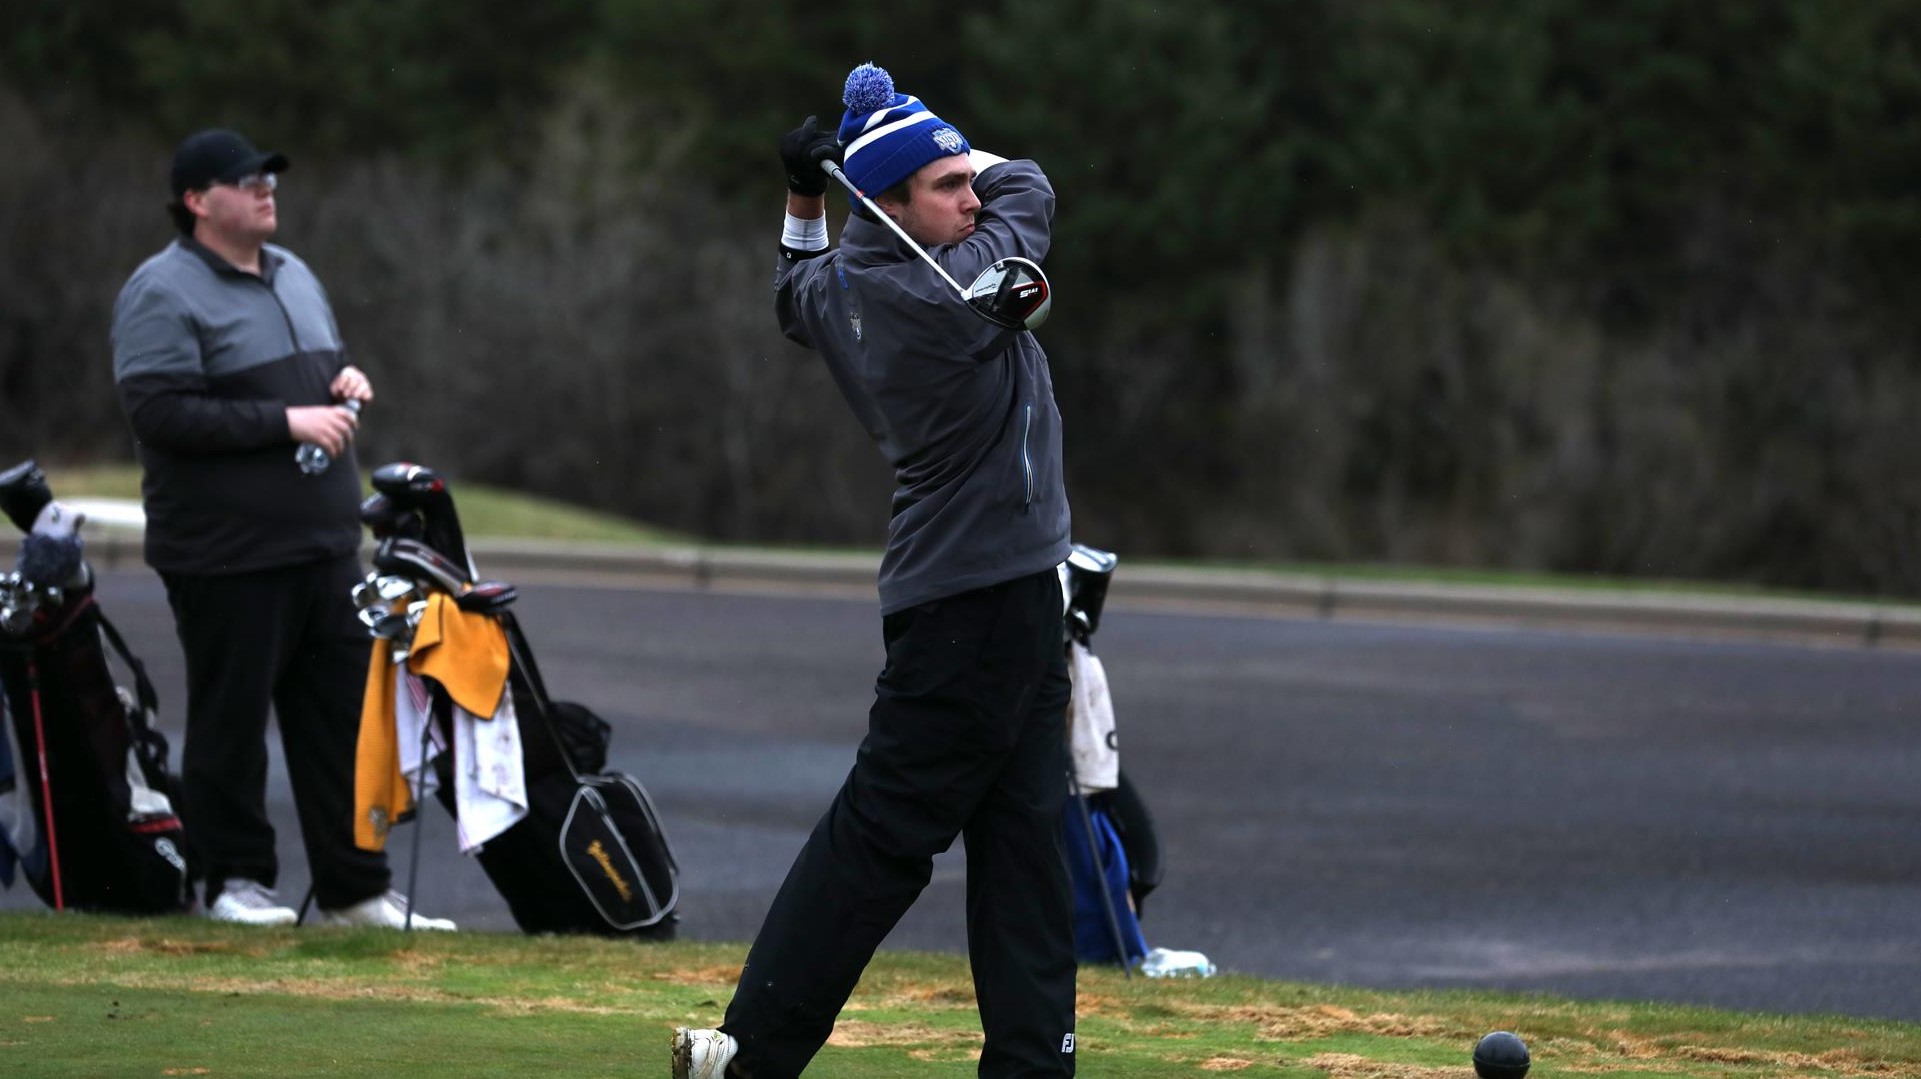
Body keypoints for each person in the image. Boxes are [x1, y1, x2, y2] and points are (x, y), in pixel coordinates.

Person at [673, 63, 1076, 1078]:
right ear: (890, 206)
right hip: (971, 601)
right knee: (883, 836)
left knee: (1026, 837)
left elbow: (790, 290)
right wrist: (915, 146)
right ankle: (749, 1052)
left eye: (964, 180)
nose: (971, 197)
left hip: (1008, 585)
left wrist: (806, 192)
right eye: (946, 185)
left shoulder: (843, 283)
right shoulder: (947, 289)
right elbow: (1029, 182)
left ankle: (1033, 1062)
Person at [109, 128, 453, 931]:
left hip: (323, 547)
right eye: (245, 180)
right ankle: (233, 881)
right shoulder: (160, 290)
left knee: (340, 723)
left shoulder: (294, 272)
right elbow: (159, 413)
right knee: (230, 725)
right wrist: (287, 420)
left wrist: (344, 381)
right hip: (227, 551)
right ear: (198, 201)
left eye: (268, 177)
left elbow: (319, 375)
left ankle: (353, 889)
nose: (266, 188)